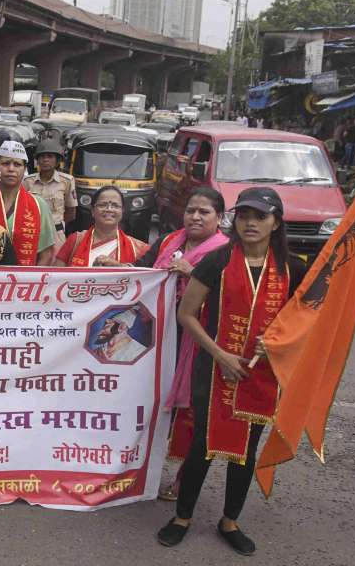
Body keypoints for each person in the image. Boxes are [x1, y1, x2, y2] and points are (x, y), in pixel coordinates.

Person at [157, 187, 306, 556]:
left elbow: (304, 321)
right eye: (244, 216)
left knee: (246, 448)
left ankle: (230, 520)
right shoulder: (218, 262)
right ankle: (182, 517)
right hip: (213, 367)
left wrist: (279, 343)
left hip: (262, 373)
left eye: (260, 217)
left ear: (276, 223)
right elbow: (187, 315)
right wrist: (221, 354)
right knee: (203, 444)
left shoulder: (293, 268)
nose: (250, 223)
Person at [132, 187, 229, 501]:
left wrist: (195, 274)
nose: (196, 217)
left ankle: (182, 479)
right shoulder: (168, 242)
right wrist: (116, 269)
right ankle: (143, 468)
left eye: (204, 212)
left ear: (220, 218)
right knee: (152, 405)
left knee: (191, 412)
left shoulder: (225, 254)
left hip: (196, 343)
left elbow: (230, 299)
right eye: (191, 210)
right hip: (157, 338)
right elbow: (143, 272)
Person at [0, 140, 56, 266]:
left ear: (25, 169)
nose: (11, 169)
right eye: (5, 163)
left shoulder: (38, 205)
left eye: (17, 164)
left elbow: (46, 254)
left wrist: (31, 282)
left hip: (24, 281)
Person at [54, 186, 147, 267]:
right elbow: (56, 277)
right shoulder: (75, 240)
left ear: (122, 211)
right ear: (92, 211)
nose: (109, 209)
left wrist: (120, 266)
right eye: (103, 205)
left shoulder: (139, 249)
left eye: (115, 205)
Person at [22, 140, 77, 249]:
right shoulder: (27, 181)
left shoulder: (67, 181)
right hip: (31, 233)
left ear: (57, 161)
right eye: (42, 156)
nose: (45, 159)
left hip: (56, 233)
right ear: (37, 160)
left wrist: (55, 225)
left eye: (50, 156)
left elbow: (71, 212)